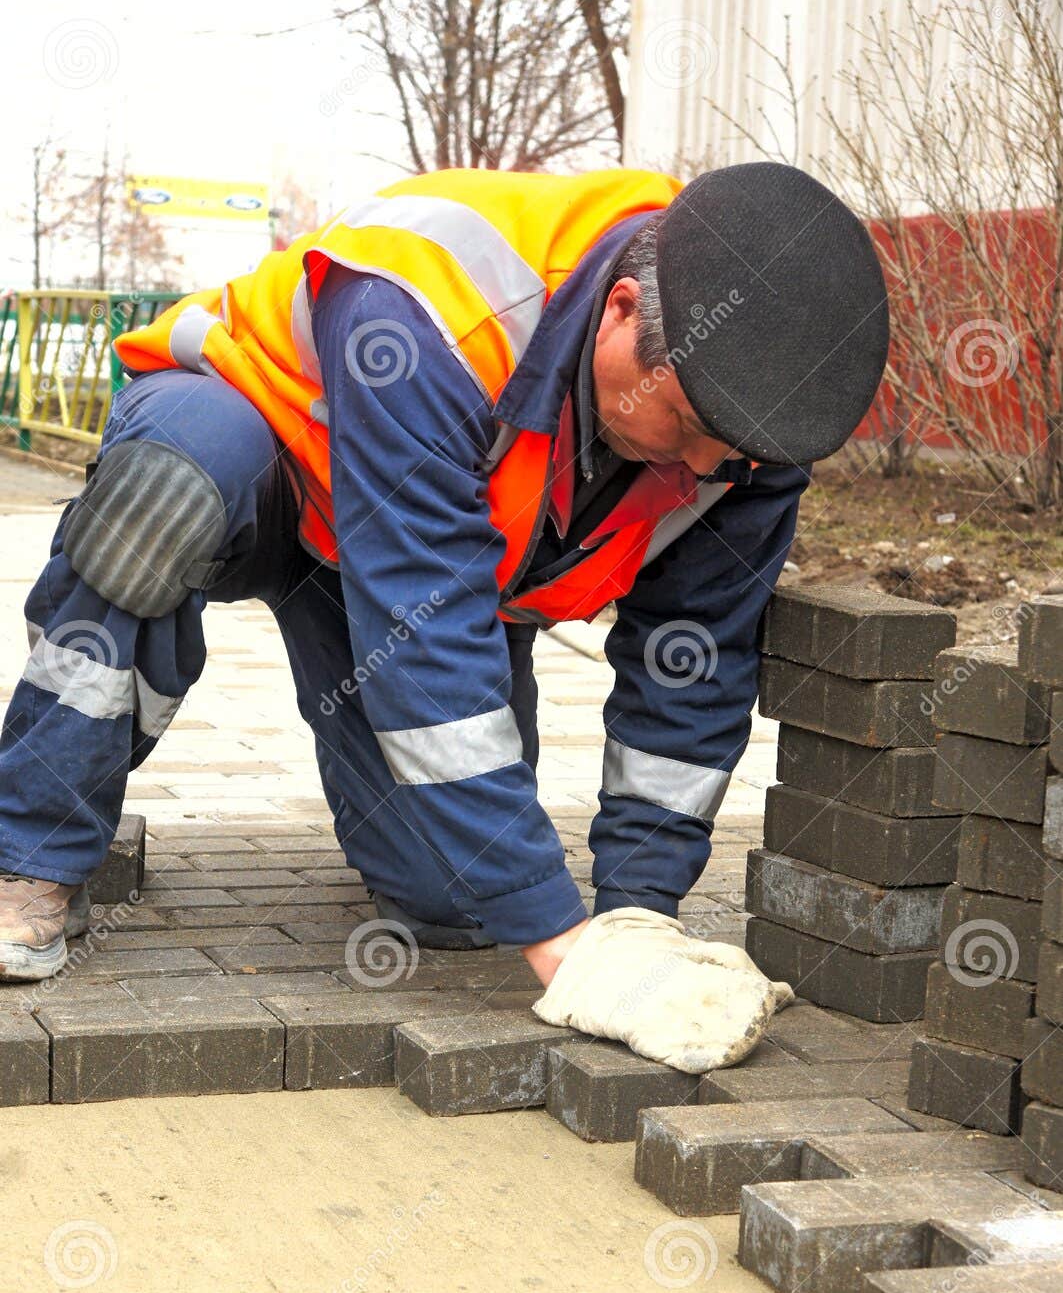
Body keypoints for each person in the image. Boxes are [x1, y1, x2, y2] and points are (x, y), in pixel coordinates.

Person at [0, 161, 888, 1071]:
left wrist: (635, 921)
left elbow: (690, 670)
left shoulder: (745, 442)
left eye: (729, 447)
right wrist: (557, 946)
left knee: (462, 905)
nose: (703, 463)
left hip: (393, 569)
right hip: (258, 450)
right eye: (685, 420)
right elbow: (427, 637)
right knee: (161, 505)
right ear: (620, 309)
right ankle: (30, 847)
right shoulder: (437, 304)